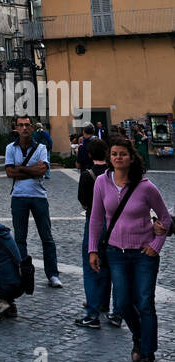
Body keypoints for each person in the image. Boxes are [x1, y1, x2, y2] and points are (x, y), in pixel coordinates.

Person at [88, 135, 170, 362]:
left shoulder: (146, 187)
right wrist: (93, 250)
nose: (118, 157)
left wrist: (156, 245)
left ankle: (148, 356)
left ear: (131, 157)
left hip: (144, 254)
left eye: (122, 154)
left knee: (145, 303)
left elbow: (165, 219)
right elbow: (96, 218)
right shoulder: (102, 183)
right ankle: (139, 336)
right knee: (122, 304)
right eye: (114, 154)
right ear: (110, 157)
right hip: (116, 253)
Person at [5, 116, 62, 288]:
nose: (24, 128)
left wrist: (20, 168)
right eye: (20, 125)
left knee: (47, 238)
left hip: (39, 196)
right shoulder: (10, 148)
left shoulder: (41, 148)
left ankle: (52, 274)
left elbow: (43, 170)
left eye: (27, 125)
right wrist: (31, 170)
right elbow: (9, 173)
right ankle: (23, 272)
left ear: (31, 128)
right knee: (20, 238)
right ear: (16, 128)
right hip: (18, 196)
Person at [75, 139, 120, 329]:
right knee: (114, 267)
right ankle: (116, 312)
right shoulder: (114, 175)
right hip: (114, 225)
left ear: (90, 155)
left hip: (94, 223)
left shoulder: (88, 176)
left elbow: (83, 202)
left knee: (91, 266)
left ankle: (93, 312)